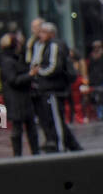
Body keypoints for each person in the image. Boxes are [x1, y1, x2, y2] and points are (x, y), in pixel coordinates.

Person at [30, 22, 81, 152]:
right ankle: (70, 145)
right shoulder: (40, 45)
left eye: (42, 32)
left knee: (57, 118)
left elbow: (54, 67)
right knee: (49, 118)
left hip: (53, 87)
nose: (39, 35)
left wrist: (39, 72)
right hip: (45, 87)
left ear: (51, 34)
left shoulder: (54, 45)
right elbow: (35, 61)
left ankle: (61, 145)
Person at [0, 33, 39, 157]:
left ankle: (33, 152)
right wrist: (29, 75)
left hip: (22, 99)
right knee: (18, 128)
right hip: (16, 100)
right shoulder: (8, 61)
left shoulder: (13, 59)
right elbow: (13, 80)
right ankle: (18, 154)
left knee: (30, 127)